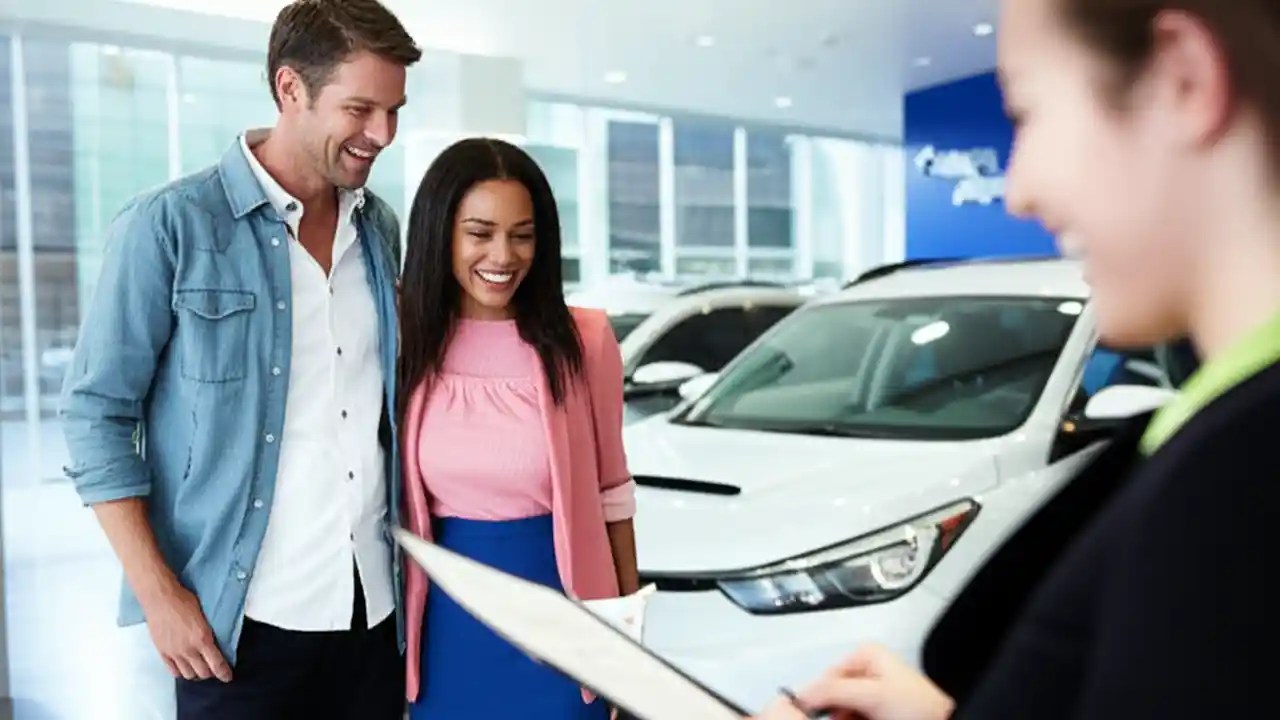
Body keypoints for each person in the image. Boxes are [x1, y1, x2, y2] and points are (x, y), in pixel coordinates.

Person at [755, 0, 1276, 718]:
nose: (1020, 190)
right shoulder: (1221, 435)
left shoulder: (1237, 484)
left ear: (1182, 81)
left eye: (1028, 113)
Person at [59, 1, 420, 718]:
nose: (381, 134)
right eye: (360, 108)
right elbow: (95, 414)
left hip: (374, 620)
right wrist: (160, 595)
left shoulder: (378, 227)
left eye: (394, 110)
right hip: (238, 631)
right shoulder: (169, 226)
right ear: (291, 89)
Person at [397, 137, 641, 719]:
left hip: (563, 621)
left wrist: (627, 644)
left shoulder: (586, 341)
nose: (503, 255)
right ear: (442, 233)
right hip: (444, 624)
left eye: (523, 235)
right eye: (480, 233)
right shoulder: (406, 338)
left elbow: (614, 497)